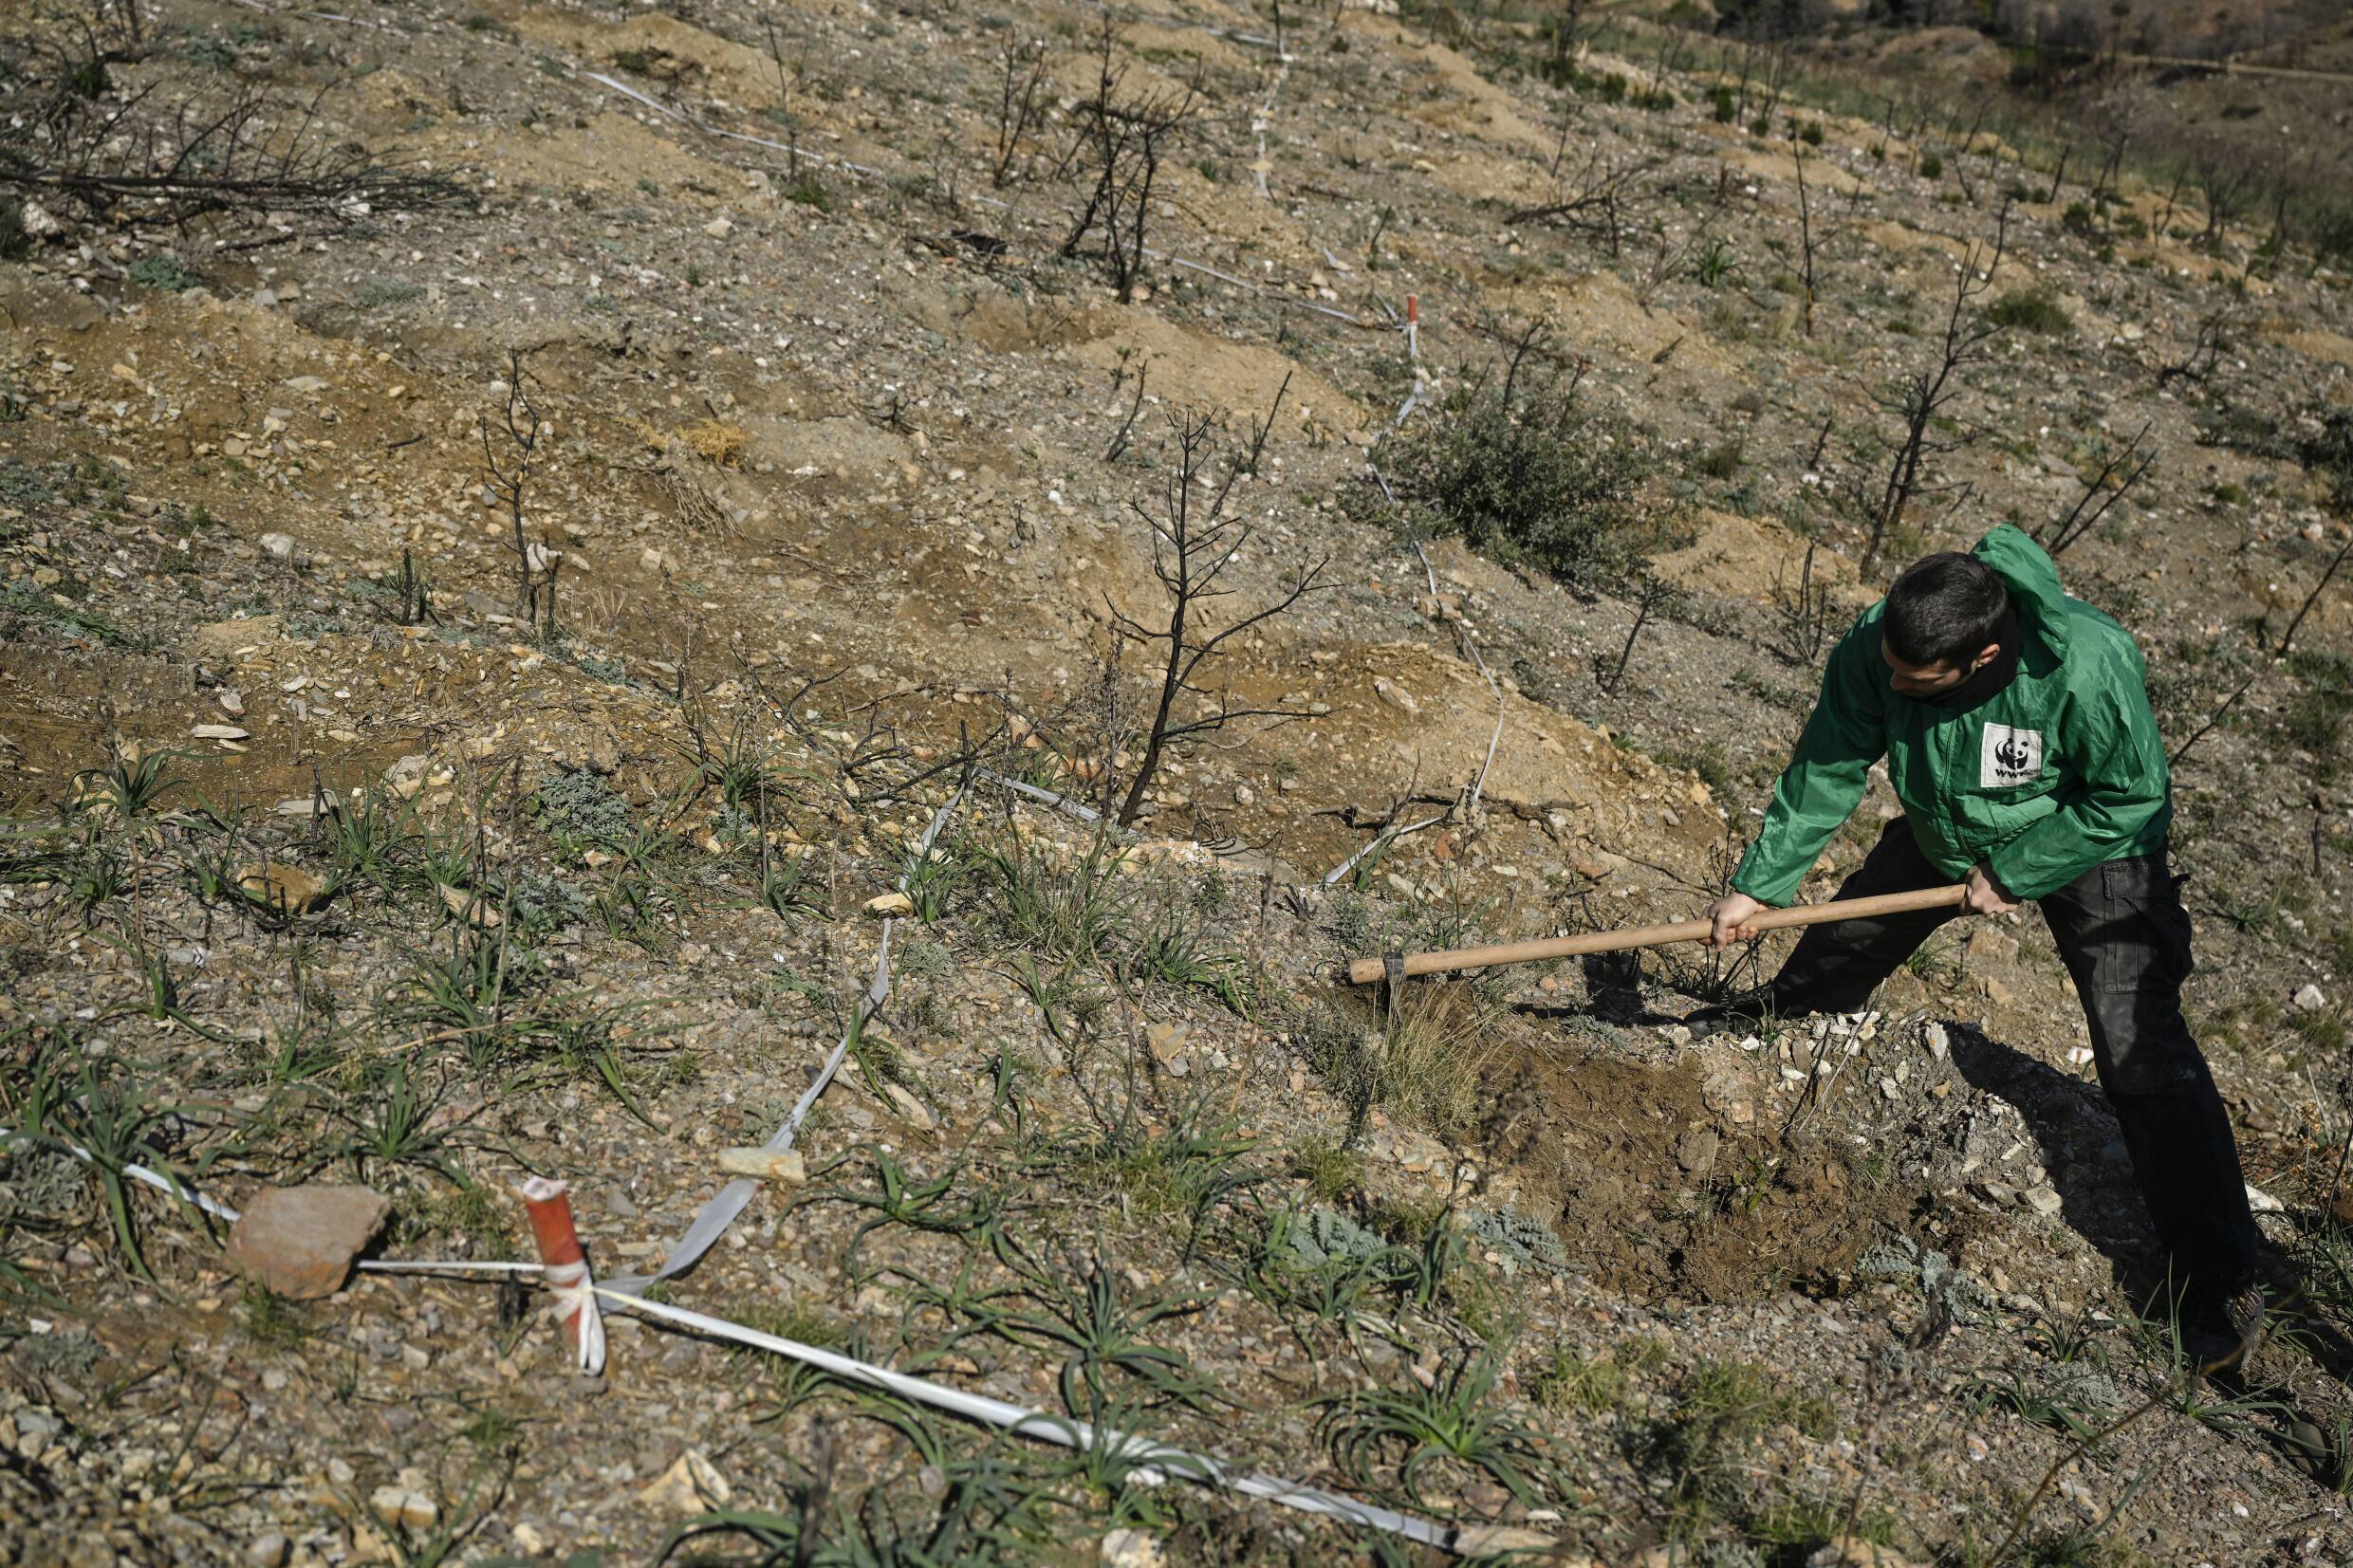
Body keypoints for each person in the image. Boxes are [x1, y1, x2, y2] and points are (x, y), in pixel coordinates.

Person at [1688, 523, 2265, 1368]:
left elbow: (2129, 795)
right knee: (1843, 941)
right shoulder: (1886, 641)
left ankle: (2220, 1279)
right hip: (1949, 821)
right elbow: (1831, 758)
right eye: (1890, 666)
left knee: (2137, 1043)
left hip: (2092, 837)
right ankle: (1748, 1040)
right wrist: (1760, 884)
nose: (1892, 681)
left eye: (1913, 681)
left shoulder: (2085, 666)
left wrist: (2019, 868)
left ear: (1985, 657)